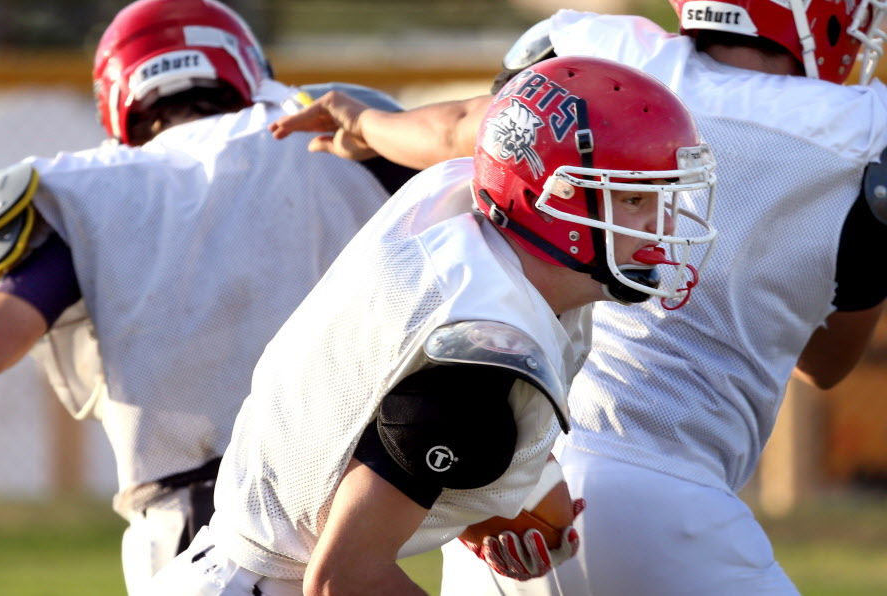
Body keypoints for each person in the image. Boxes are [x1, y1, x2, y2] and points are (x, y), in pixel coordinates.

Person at [271, 1, 887, 593]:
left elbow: (459, 128)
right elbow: (826, 364)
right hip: (669, 498)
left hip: (512, 491)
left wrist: (362, 122)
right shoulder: (861, 136)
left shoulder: (607, 59)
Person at [0, 0, 415, 593]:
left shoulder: (87, 190)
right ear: (241, 65)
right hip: (357, 493)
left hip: (201, 528)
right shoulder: (342, 132)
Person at [150, 55, 718, 595]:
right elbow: (344, 579)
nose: (662, 227)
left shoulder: (460, 203)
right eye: (638, 199)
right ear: (554, 202)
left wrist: (475, 502)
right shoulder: (478, 365)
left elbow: (380, 421)